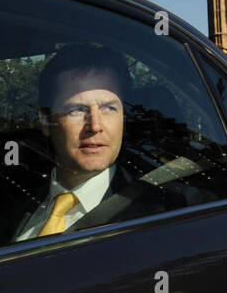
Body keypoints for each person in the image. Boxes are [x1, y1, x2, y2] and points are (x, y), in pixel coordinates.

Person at [14, 44, 180, 241]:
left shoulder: (161, 214)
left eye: (109, 108)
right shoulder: (10, 203)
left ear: (124, 118)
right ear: (45, 120)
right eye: (77, 110)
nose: (95, 126)